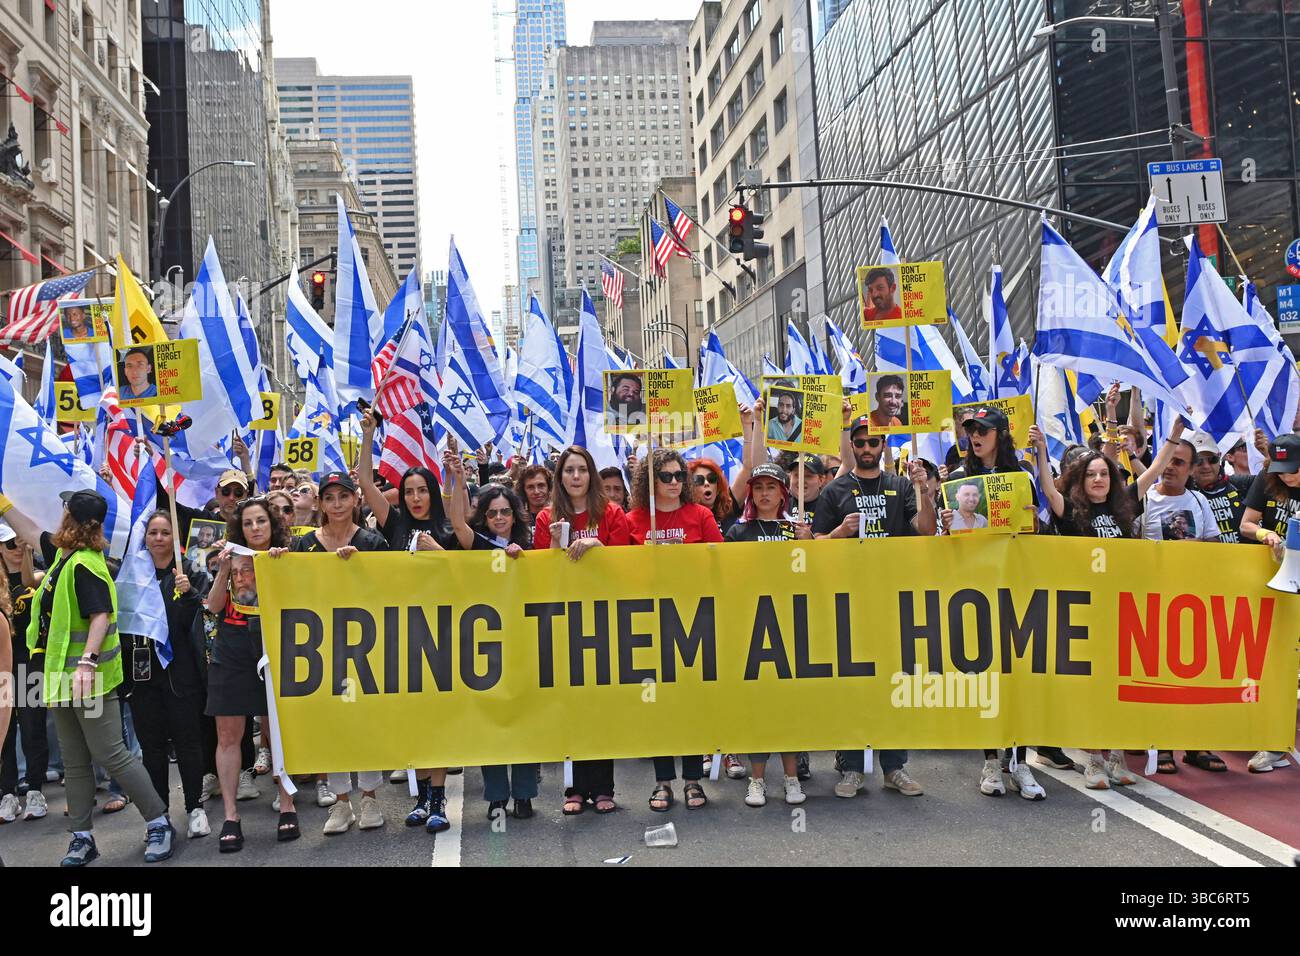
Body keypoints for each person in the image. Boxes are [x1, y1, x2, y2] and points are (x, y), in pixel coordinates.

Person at [1, 489, 175, 866]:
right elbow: (28, 529)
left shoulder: (84, 564)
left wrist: (86, 665)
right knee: (76, 761)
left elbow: (101, 615)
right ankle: (82, 837)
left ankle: (159, 822)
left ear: (72, 518)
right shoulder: (63, 556)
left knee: (113, 754)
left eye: (63, 508)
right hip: (61, 678)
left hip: (87, 678)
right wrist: (2, 500)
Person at [813, 413, 932, 800]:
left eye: (873, 443)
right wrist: (839, 533)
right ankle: (850, 767)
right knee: (853, 684)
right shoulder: (834, 490)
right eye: (859, 443)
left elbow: (926, 530)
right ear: (851, 445)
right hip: (847, 602)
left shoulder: (900, 484)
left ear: (883, 446)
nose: (866, 449)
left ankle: (894, 766)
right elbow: (813, 547)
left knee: (890, 684)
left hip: (892, 600)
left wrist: (925, 492)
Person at [941, 405, 1053, 797]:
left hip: (1016, 584)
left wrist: (1033, 521)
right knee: (987, 675)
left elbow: (1040, 529)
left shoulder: (1021, 476)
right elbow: (948, 542)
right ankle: (991, 763)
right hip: (976, 588)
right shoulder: (958, 480)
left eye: (984, 430)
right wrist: (945, 524)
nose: (976, 435)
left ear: (1000, 435)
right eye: (972, 429)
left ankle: (1020, 762)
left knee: (1018, 675)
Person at [274, 472, 390, 835]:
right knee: (331, 722)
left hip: (365, 646)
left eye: (343, 497)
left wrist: (360, 568)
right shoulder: (304, 545)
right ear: (321, 504)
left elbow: (391, 590)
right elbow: (291, 589)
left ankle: (370, 796)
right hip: (319, 648)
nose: (337, 504)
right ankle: (341, 803)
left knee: (367, 720)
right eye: (330, 498)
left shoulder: (372, 542)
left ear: (355, 500)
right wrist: (278, 562)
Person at [1028, 426, 1140, 789]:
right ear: (1080, 479)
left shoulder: (1123, 511)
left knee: (1120, 689)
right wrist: (1042, 452)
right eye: (1091, 474)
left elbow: (1150, 476)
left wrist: (1170, 438)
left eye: (1104, 473)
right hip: (1084, 614)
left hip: (1121, 611)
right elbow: (1047, 488)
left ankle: (1118, 759)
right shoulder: (1071, 513)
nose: (1098, 479)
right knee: (1094, 691)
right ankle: (1093, 761)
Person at [532, 446, 630, 813]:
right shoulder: (546, 517)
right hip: (564, 619)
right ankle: (573, 789)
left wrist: (598, 544)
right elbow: (542, 571)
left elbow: (625, 563)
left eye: (582, 470)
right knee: (570, 703)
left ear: (591, 475)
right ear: (560, 478)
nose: (575, 476)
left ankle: (604, 788)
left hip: (603, 618)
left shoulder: (613, 514)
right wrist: (558, 542)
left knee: (599, 704)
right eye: (569, 470)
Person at [625, 448, 722, 810]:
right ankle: (662, 782)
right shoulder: (634, 519)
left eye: (679, 476)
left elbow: (720, 563)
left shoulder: (700, 516)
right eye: (665, 476)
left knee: (691, 704)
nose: (674, 482)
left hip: (694, 618)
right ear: (650, 481)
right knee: (659, 706)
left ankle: (693, 780)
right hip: (649, 621)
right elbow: (617, 570)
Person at [444, 460, 538, 820]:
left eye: (505, 512)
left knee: (525, 720)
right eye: (493, 512)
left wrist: (523, 559)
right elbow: (456, 523)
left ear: (515, 516)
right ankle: (497, 796)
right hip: (484, 647)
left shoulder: (530, 547)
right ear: (484, 517)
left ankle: (525, 794)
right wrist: (456, 479)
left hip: (524, 644)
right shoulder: (476, 543)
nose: (500, 517)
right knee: (491, 722)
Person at [205, 497, 299, 850]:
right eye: (248, 523)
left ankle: (286, 803)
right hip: (232, 644)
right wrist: (225, 571)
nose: (255, 528)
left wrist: (282, 568)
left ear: (272, 524)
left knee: (278, 728)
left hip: (274, 642)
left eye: (261, 521)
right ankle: (231, 815)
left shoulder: (288, 554)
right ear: (239, 528)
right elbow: (213, 606)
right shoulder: (229, 557)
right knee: (228, 733)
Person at [722, 463, 812, 807]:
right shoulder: (738, 532)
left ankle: (791, 778)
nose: (764, 493)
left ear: (782, 493)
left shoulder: (797, 529)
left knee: (788, 707)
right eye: (757, 487)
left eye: (771, 487)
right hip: (752, 628)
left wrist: (811, 544)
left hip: (791, 627)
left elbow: (817, 578)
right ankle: (756, 780)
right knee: (758, 708)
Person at [124, 511, 213, 838]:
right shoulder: (134, 574)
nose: (158, 538)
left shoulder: (189, 571)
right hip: (143, 676)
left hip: (181, 673)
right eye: (153, 533)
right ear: (145, 537)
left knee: (190, 742)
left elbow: (205, 615)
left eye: (165, 533)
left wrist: (189, 592)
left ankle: (195, 807)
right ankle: (158, 816)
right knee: (153, 748)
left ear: (175, 538)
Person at [1238, 432, 1300, 775]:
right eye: (1282, 470)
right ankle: (1271, 739)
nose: (1287, 477)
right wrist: (1266, 535)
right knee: (1271, 660)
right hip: (1273, 583)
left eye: (1293, 470)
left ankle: (1278, 740)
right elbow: (1247, 523)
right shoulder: (1268, 477)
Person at [0, 530, 47, 823]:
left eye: (20, 541)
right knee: (6, 731)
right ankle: (7, 792)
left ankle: (35, 789)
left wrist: (29, 552)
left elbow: (32, 582)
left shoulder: (37, 577)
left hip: (31, 663)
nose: (15, 547)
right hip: (3, 666)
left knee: (33, 726)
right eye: (9, 543)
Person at [359, 408, 454, 552]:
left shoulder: (450, 530)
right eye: (408, 492)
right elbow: (366, 483)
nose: (415, 498)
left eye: (422, 491)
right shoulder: (395, 524)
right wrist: (368, 435)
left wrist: (438, 551)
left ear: (433, 493)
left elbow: (462, 571)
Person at [1190, 433, 1254, 543]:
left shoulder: (1242, 484)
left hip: (1247, 558)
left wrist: (1266, 455)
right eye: (1199, 461)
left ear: (1219, 457)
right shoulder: (1186, 495)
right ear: (1189, 463)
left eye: (1212, 459)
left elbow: (1274, 480)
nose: (1206, 466)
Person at [689, 458, 737, 535]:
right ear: (690, 488)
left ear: (718, 486)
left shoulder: (728, 507)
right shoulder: (684, 517)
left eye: (711, 478)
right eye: (698, 480)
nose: (706, 483)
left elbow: (748, 466)